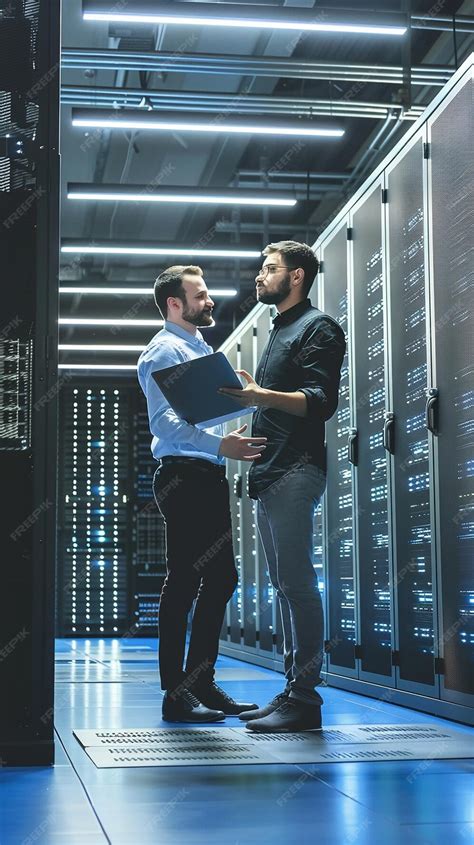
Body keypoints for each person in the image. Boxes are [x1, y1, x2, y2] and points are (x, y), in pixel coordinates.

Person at [219, 241, 346, 732]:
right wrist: (253, 406)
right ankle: (292, 689)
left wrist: (261, 395)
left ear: (296, 276)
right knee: (284, 586)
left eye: (269, 268)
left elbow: (319, 402)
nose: (259, 276)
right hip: (269, 472)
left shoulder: (318, 328)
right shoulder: (278, 331)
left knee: (297, 585)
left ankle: (306, 700)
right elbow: (275, 405)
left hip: (296, 470)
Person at [137, 265, 265, 723]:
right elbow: (166, 424)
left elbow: (198, 415)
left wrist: (239, 404)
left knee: (220, 578)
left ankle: (199, 681)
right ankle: (177, 692)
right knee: (186, 582)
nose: (209, 301)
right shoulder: (164, 352)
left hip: (204, 476)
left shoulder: (198, 348)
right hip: (182, 477)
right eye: (201, 295)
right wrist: (221, 445)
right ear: (175, 303)